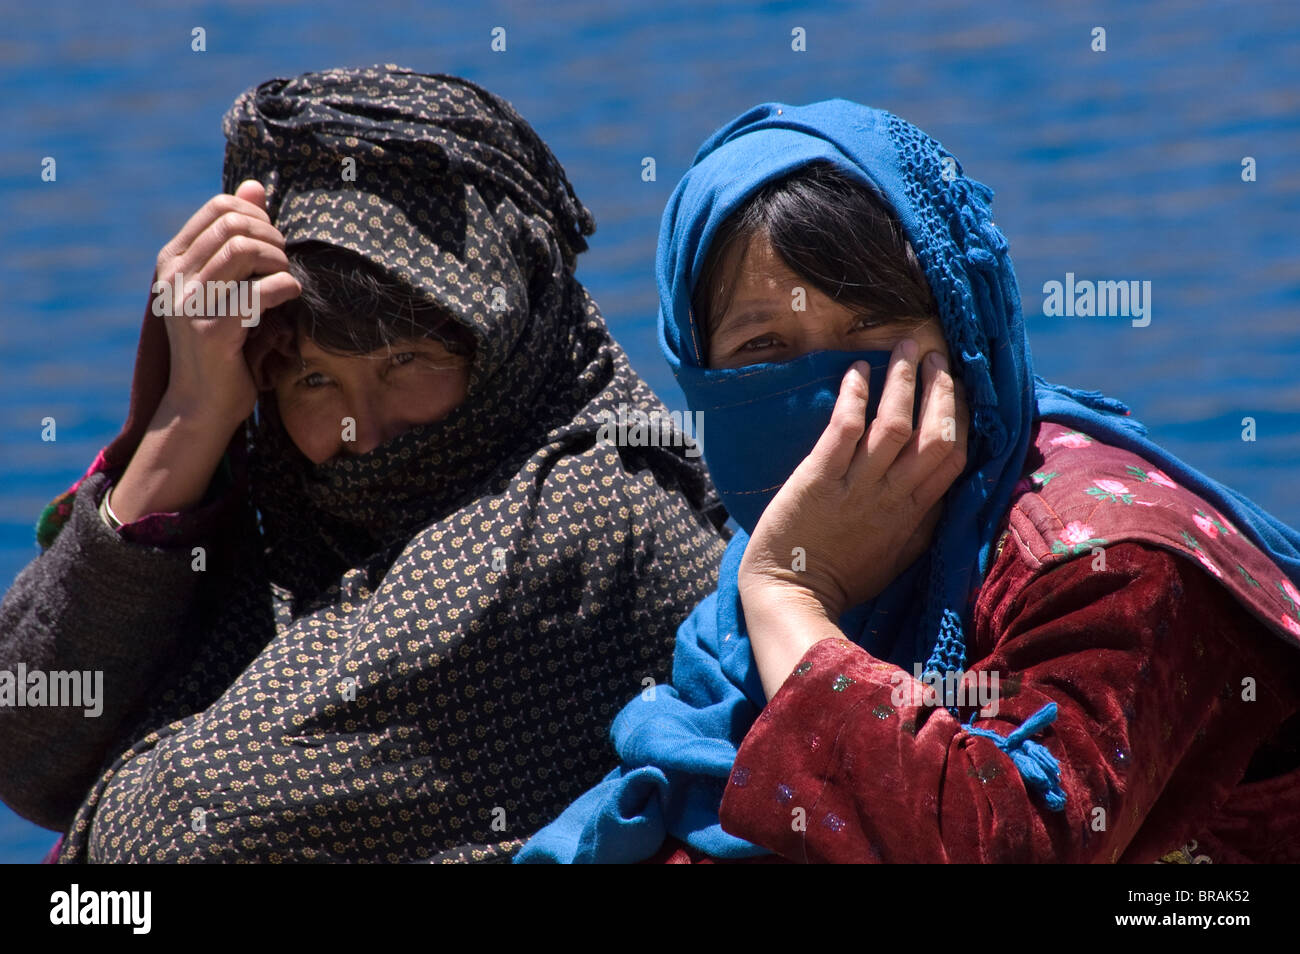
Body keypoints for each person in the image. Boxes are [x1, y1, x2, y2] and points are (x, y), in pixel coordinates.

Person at [516, 100, 1300, 864]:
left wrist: (791, 597)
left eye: (872, 332)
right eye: (764, 346)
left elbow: (997, 843)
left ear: (966, 335)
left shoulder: (1108, 563)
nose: (835, 406)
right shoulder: (738, 598)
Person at [0, 65, 730, 863]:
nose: (363, 428)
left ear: (508, 340)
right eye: (313, 379)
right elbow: (28, 742)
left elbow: (163, 838)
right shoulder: (291, 517)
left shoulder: (589, 516)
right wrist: (194, 413)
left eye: (407, 360)